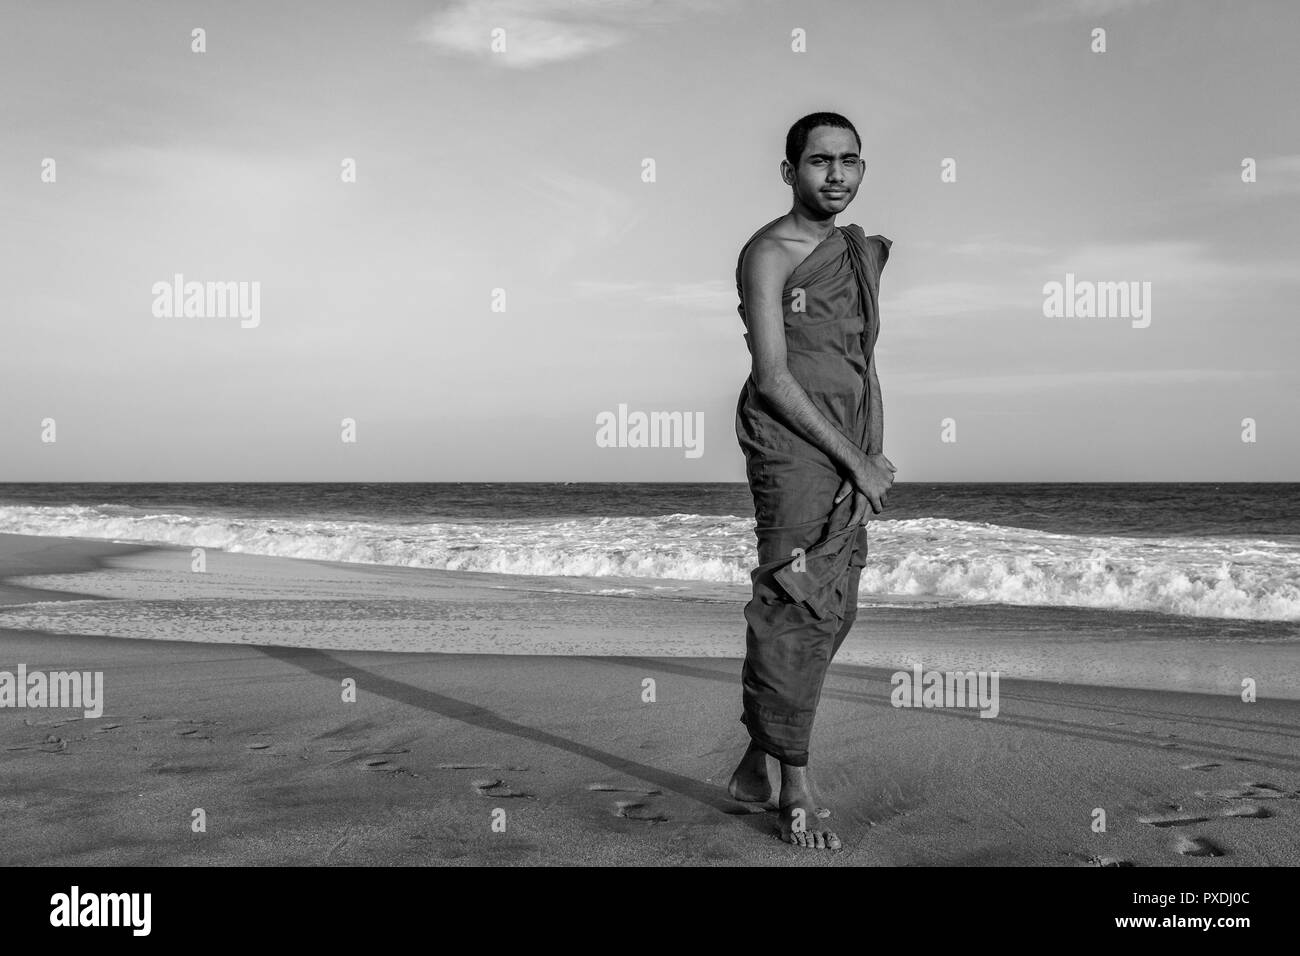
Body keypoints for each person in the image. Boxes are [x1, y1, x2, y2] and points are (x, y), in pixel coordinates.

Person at [727, 112, 896, 850]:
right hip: (790, 445)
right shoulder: (768, 252)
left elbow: (851, 359)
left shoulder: (853, 252)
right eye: (820, 160)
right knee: (796, 604)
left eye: (849, 160)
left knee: (836, 607)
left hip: (850, 437)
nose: (837, 174)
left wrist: (867, 448)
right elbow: (773, 378)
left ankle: (753, 758)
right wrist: (855, 461)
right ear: (790, 170)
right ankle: (794, 784)